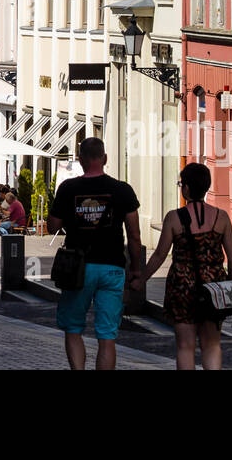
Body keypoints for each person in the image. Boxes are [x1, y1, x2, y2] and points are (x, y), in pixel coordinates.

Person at [47, 137, 141, 371]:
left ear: (80, 160)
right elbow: (135, 234)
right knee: (107, 335)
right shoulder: (122, 190)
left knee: (73, 328)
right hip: (113, 267)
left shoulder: (68, 188)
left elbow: (51, 226)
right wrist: (136, 269)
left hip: (78, 268)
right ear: (105, 158)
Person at [132, 162, 232, 371]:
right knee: (212, 345)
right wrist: (229, 283)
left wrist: (141, 279)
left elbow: (160, 255)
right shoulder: (221, 217)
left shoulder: (173, 218)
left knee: (185, 347)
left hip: (182, 287)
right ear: (206, 187)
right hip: (214, 287)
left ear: (186, 188)